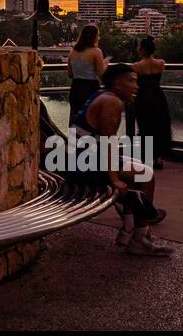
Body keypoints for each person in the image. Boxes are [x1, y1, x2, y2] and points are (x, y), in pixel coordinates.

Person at [65, 63, 172, 256]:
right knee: (146, 175)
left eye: (136, 81)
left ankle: (129, 228)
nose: (136, 86)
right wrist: (114, 179)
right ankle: (139, 239)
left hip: (78, 158)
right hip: (83, 164)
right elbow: (108, 143)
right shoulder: (111, 102)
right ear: (116, 83)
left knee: (134, 170)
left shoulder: (101, 94)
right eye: (131, 81)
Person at [130, 36, 172, 169]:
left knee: (145, 127)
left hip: (143, 98)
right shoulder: (161, 63)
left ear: (142, 50)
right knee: (160, 126)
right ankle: (159, 157)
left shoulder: (136, 66)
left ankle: (147, 157)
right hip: (158, 96)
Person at [66, 24, 106, 128]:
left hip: (75, 89)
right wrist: (104, 64)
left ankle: (77, 143)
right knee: (91, 122)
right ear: (94, 36)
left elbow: (70, 74)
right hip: (90, 89)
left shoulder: (72, 52)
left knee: (78, 122)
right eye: (98, 35)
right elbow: (101, 73)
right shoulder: (96, 52)